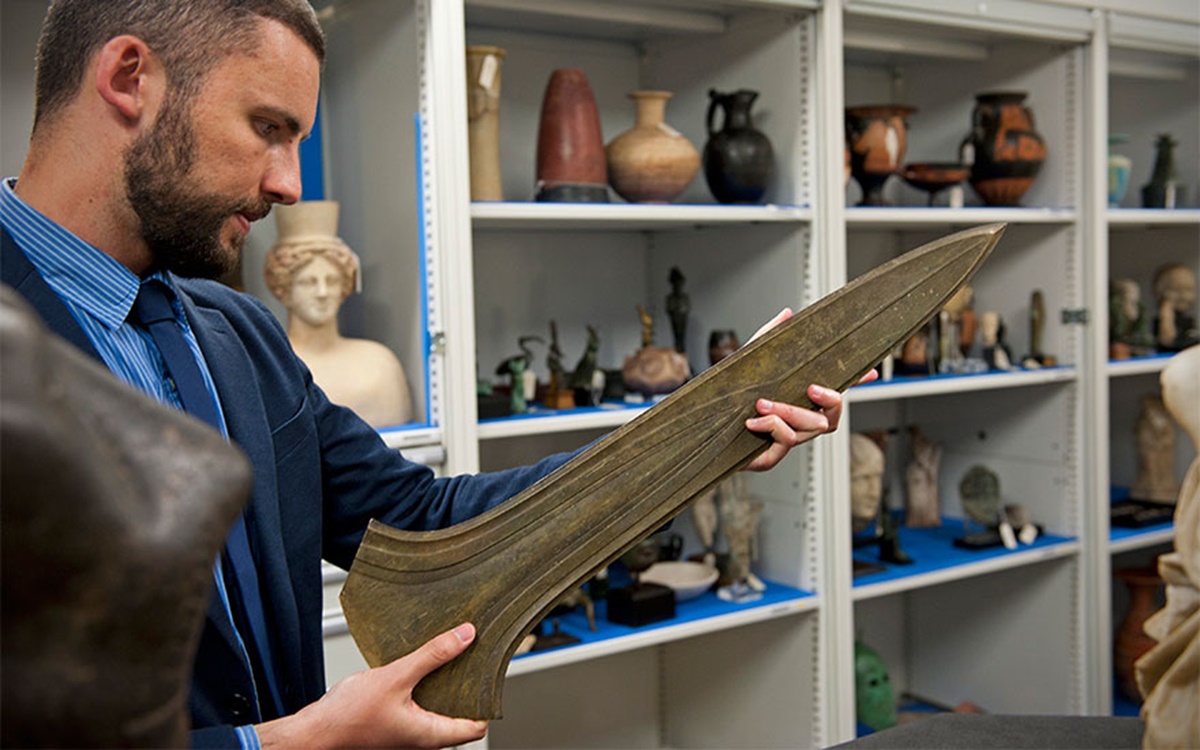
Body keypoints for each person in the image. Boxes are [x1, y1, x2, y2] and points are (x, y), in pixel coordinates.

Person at [0, 1, 859, 748]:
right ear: (128, 76)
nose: (289, 184)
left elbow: (422, 522)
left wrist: (696, 434)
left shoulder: (234, 334)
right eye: (269, 127)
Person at [263, 200, 413, 428]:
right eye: (308, 282)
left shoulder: (380, 364)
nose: (322, 293)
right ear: (283, 289)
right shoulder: (272, 366)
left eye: (332, 281)